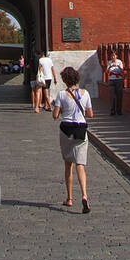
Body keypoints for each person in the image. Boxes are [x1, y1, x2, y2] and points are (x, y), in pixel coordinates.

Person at [52, 66, 93, 212]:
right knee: (80, 165)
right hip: (80, 130)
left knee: (68, 164)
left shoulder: (61, 95)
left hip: (66, 130)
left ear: (65, 80)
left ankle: (69, 198)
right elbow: (90, 114)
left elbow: (55, 115)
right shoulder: (85, 93)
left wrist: (61, 109)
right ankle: (84, 195)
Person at [105, 49, 125, 116]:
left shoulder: (119, 62)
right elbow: (106, 72)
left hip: (119, 80)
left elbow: (122, 71)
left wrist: (118, 66)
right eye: (112, 56)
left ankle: (119, 110)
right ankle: (112, 110)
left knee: (119, 95)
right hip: (111, 80)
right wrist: (110, 66)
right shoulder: (109, 62)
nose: (113, 57)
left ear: (116, 56)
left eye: (114, 55)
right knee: (112, 96)